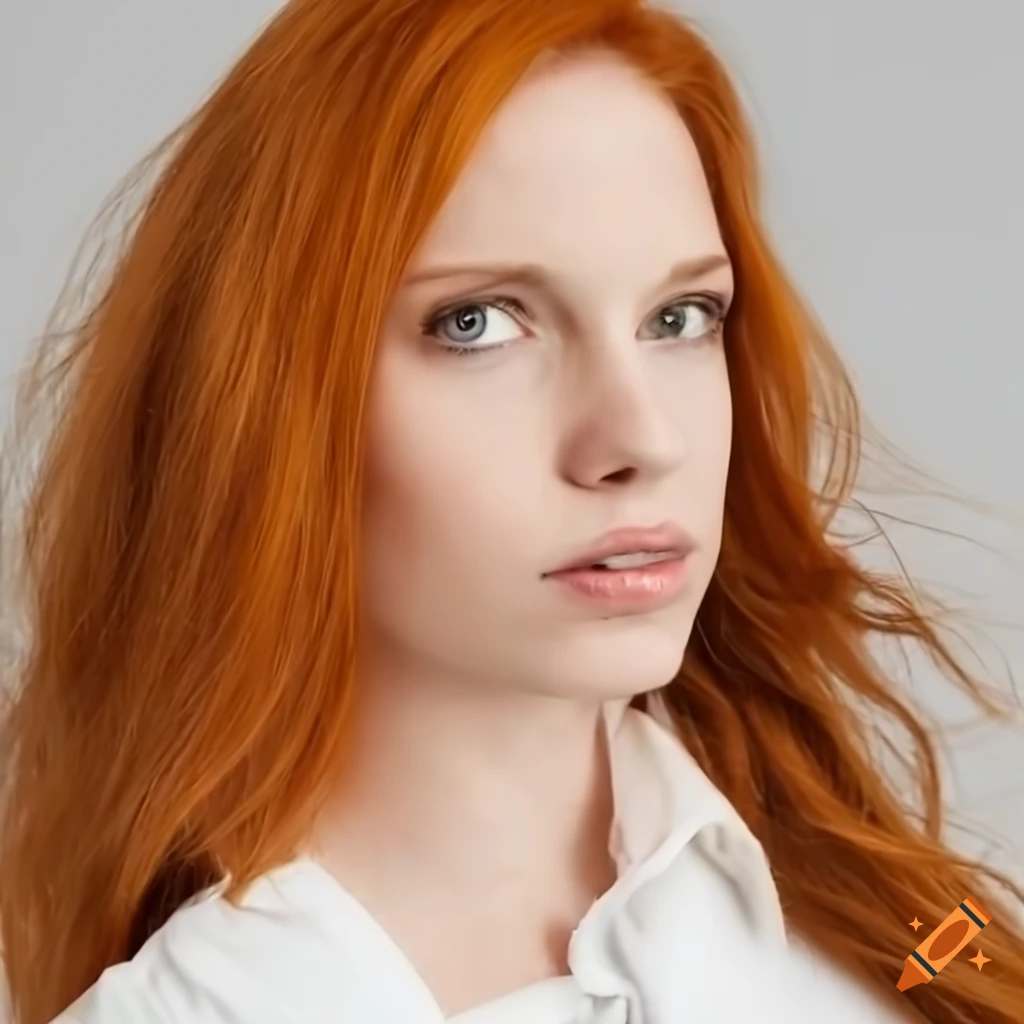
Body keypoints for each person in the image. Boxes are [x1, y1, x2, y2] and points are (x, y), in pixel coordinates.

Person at [0, 0, 1021, 1021]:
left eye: (679, 317)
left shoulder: (907, 926)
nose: (639, 438)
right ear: (265, 406)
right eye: (477, 323)